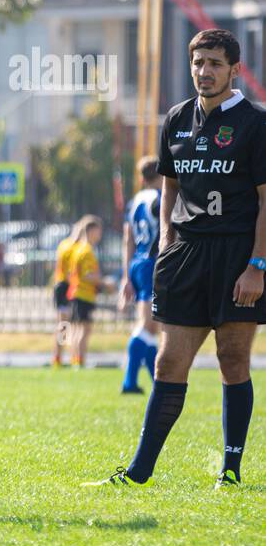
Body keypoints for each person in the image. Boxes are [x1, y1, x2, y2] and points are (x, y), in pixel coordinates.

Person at [86, 29, 264, 489]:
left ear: (234, 70)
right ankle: (138, 471)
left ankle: (231, 470)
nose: (205, 72)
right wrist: (166, 241)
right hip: (186, 255)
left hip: (237, 255)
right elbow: (168, 186)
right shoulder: (176, 119)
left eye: (215, 64)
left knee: (232, 359)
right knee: (168, 363)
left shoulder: (255, 123)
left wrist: (257, 266)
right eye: (198, 62)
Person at [118, 158, 162, 393]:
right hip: (153, 265)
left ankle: (156, 381)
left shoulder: (135, 201)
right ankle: (130, 380)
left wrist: (126, 275)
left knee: (151, 328)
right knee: (147, 326)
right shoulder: (161, 198)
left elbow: (128, 239)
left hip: (137, 263)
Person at [65, 215, 103, 368]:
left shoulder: (77, 249)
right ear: (92, 230)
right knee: (84, 330)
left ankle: (75, 360)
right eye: (99, 230)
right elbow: (87, 275)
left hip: (76, 293)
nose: (100, 234)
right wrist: (104, 282)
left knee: (75, 329)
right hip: (84, 295)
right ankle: (80, 361)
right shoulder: (86, 251)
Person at [51, 219, 87, 367]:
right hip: (66, 286)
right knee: (66, 324)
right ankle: (64, 357)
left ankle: (62, 357)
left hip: (62, 285)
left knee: (65, 324)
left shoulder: (63, 244)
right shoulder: (75, 247)